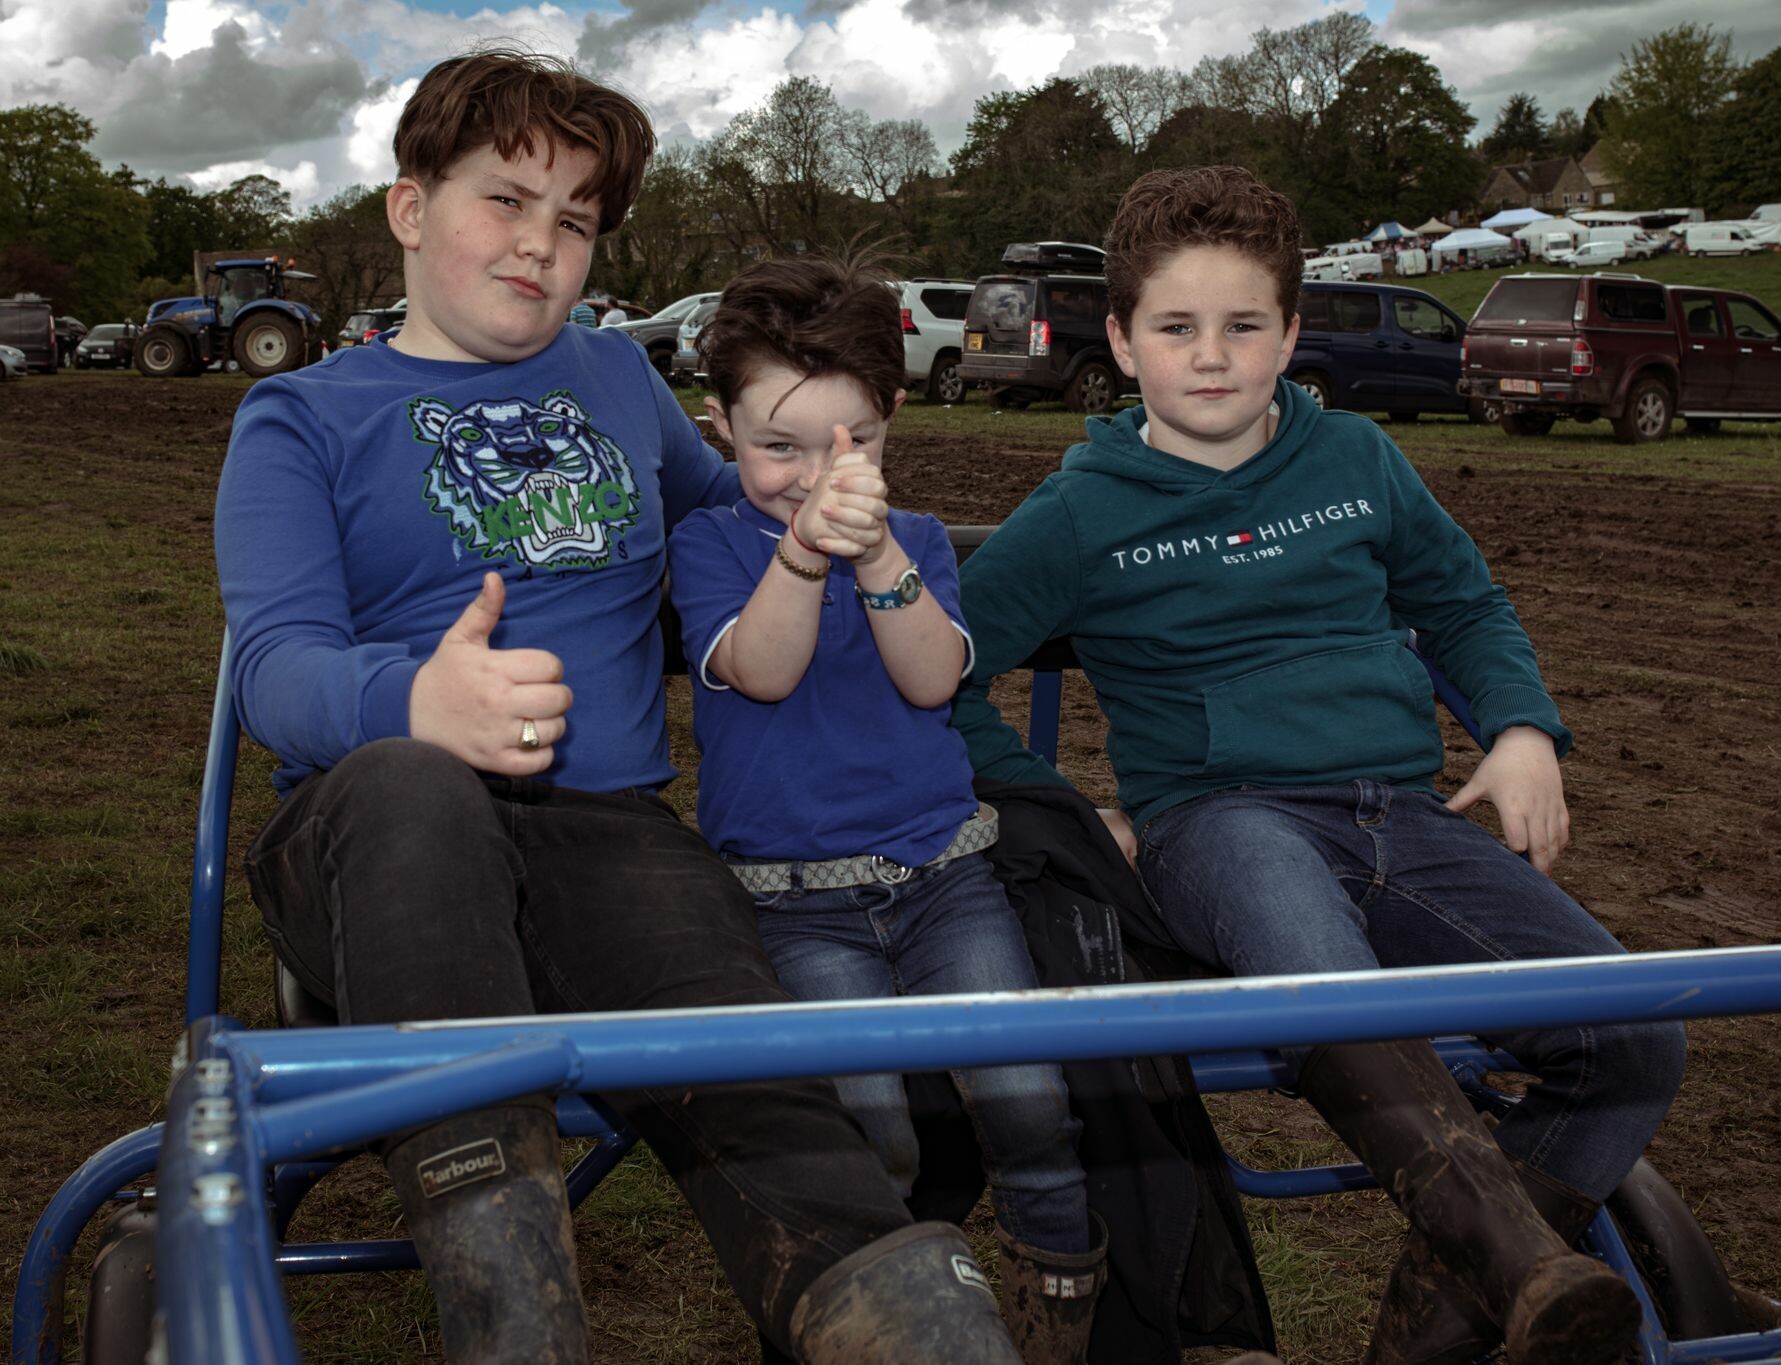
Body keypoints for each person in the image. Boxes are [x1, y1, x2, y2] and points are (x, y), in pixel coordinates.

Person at [215, 48, 1020, 1365]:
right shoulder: (300, 416)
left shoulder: (612, 381)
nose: (541, 244)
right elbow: (275, 666)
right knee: (415, 789)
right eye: (505, 200)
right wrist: (415, 697)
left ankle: (911, 1320)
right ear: (410, 208)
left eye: (576, 220)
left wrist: (867, 533)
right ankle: (511, 1309)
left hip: (604, 826)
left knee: (742, 1053)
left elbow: (752, 532)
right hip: (378, 840)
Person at [951, 164, 1688, 1365]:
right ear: (1122, 342)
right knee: (1322, 970)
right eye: (1175, 328)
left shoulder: (1355, 458)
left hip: (1402, 817)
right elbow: (933, 678)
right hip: (1218, 824)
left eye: (1243, 325)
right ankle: (1524, 1269)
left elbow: (1463, 605)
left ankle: (1440, 1328)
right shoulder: (1077, 516)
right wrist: (1069, 816)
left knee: (1632, 1036)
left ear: (1290, 336)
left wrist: (1519, 732)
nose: (1211, 356)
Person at [670, 254, 1101, 1364]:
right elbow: (763, 669)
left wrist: (875, 560)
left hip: (943, 877)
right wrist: (804, 553)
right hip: (791, 902)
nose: (817, 474)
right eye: (780, 447)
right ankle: (887, 1322)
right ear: (720, 429)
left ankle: (1060, 1290)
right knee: (867, 1129)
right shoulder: (709, 545)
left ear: (890, 419)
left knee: (1027, 1098)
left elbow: (930, 677)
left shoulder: (913, 540)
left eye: (849, 441)